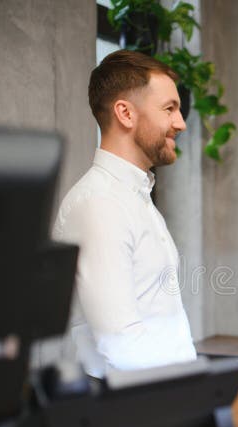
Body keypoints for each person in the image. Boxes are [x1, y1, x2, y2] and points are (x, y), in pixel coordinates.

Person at [53, 50, 196, 378]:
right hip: (127, 411)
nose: (181, 123)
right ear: (125, 113)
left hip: (163, 396)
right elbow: (122, 343)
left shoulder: (136, 198)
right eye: (169, 109)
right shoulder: (98, 204)